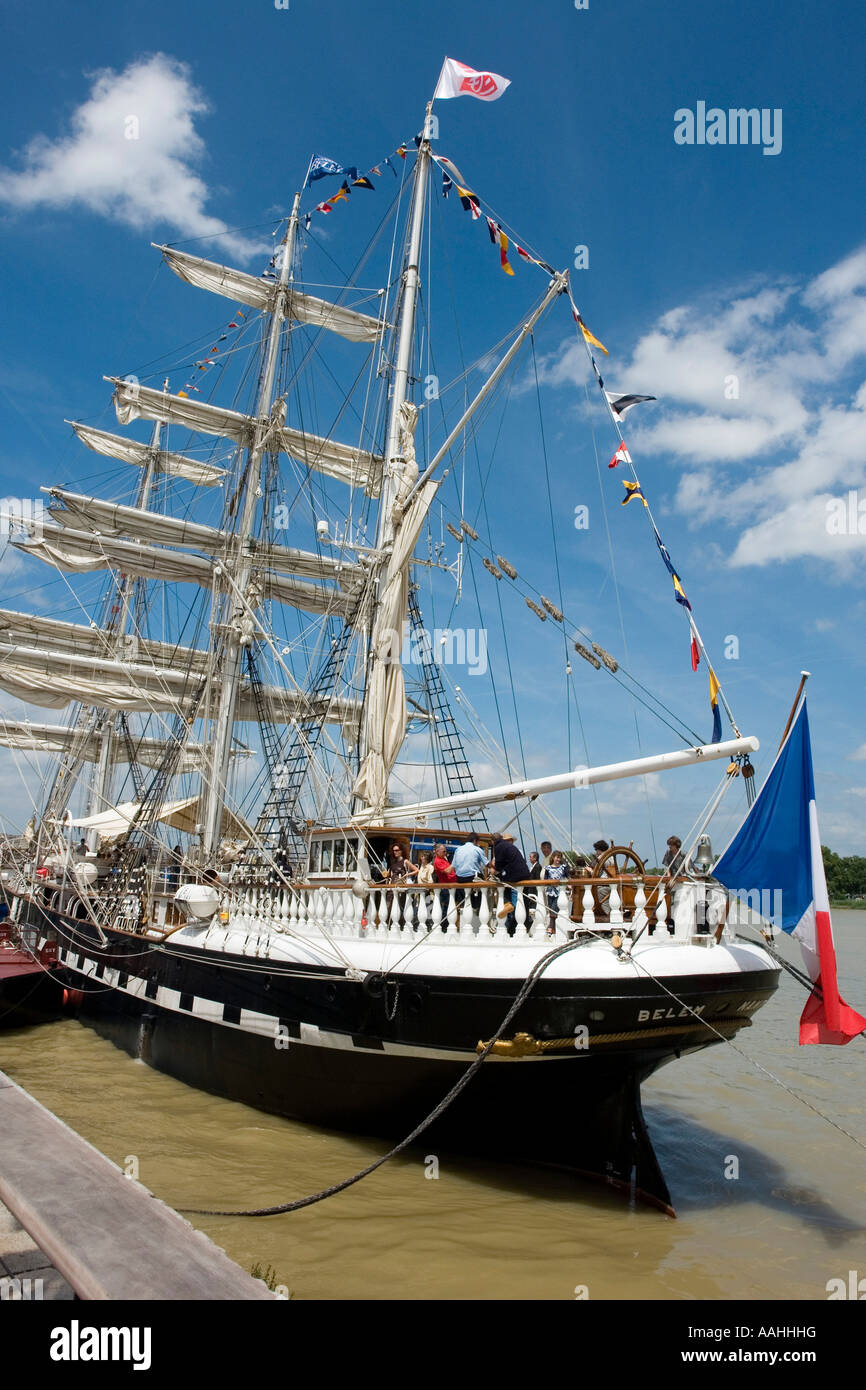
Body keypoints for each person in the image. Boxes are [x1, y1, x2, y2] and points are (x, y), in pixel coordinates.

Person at [490, 832, 531, 934]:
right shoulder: (510, 847)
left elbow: (498, 866)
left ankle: (508, 903)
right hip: (524, 873)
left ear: (492, 841)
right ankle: (509, 905)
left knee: (503, 882)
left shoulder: (498, 847)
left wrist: (494, 871)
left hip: (515, 875)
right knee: (521, 900)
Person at [452, 833, 487, 915]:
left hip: (460, 879)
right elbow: (487, 864)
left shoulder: (458, 849)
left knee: (464, 897)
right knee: (484, 885)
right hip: (473, 878)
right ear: (475, 840)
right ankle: (478, 907)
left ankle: (465, 906)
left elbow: (454, 866)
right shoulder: (477, 849)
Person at [541, 851, 569, 934]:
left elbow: (567, 877)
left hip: (560, 892)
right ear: (553, 857)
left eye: (559, 857)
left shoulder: (563, 867)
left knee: (554, 908)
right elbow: (545, 880)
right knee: (551, 909)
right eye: (557, 857)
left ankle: (550, 927)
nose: (558, 859)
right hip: (550, 891)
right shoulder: (548, 868)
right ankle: (554, 928)